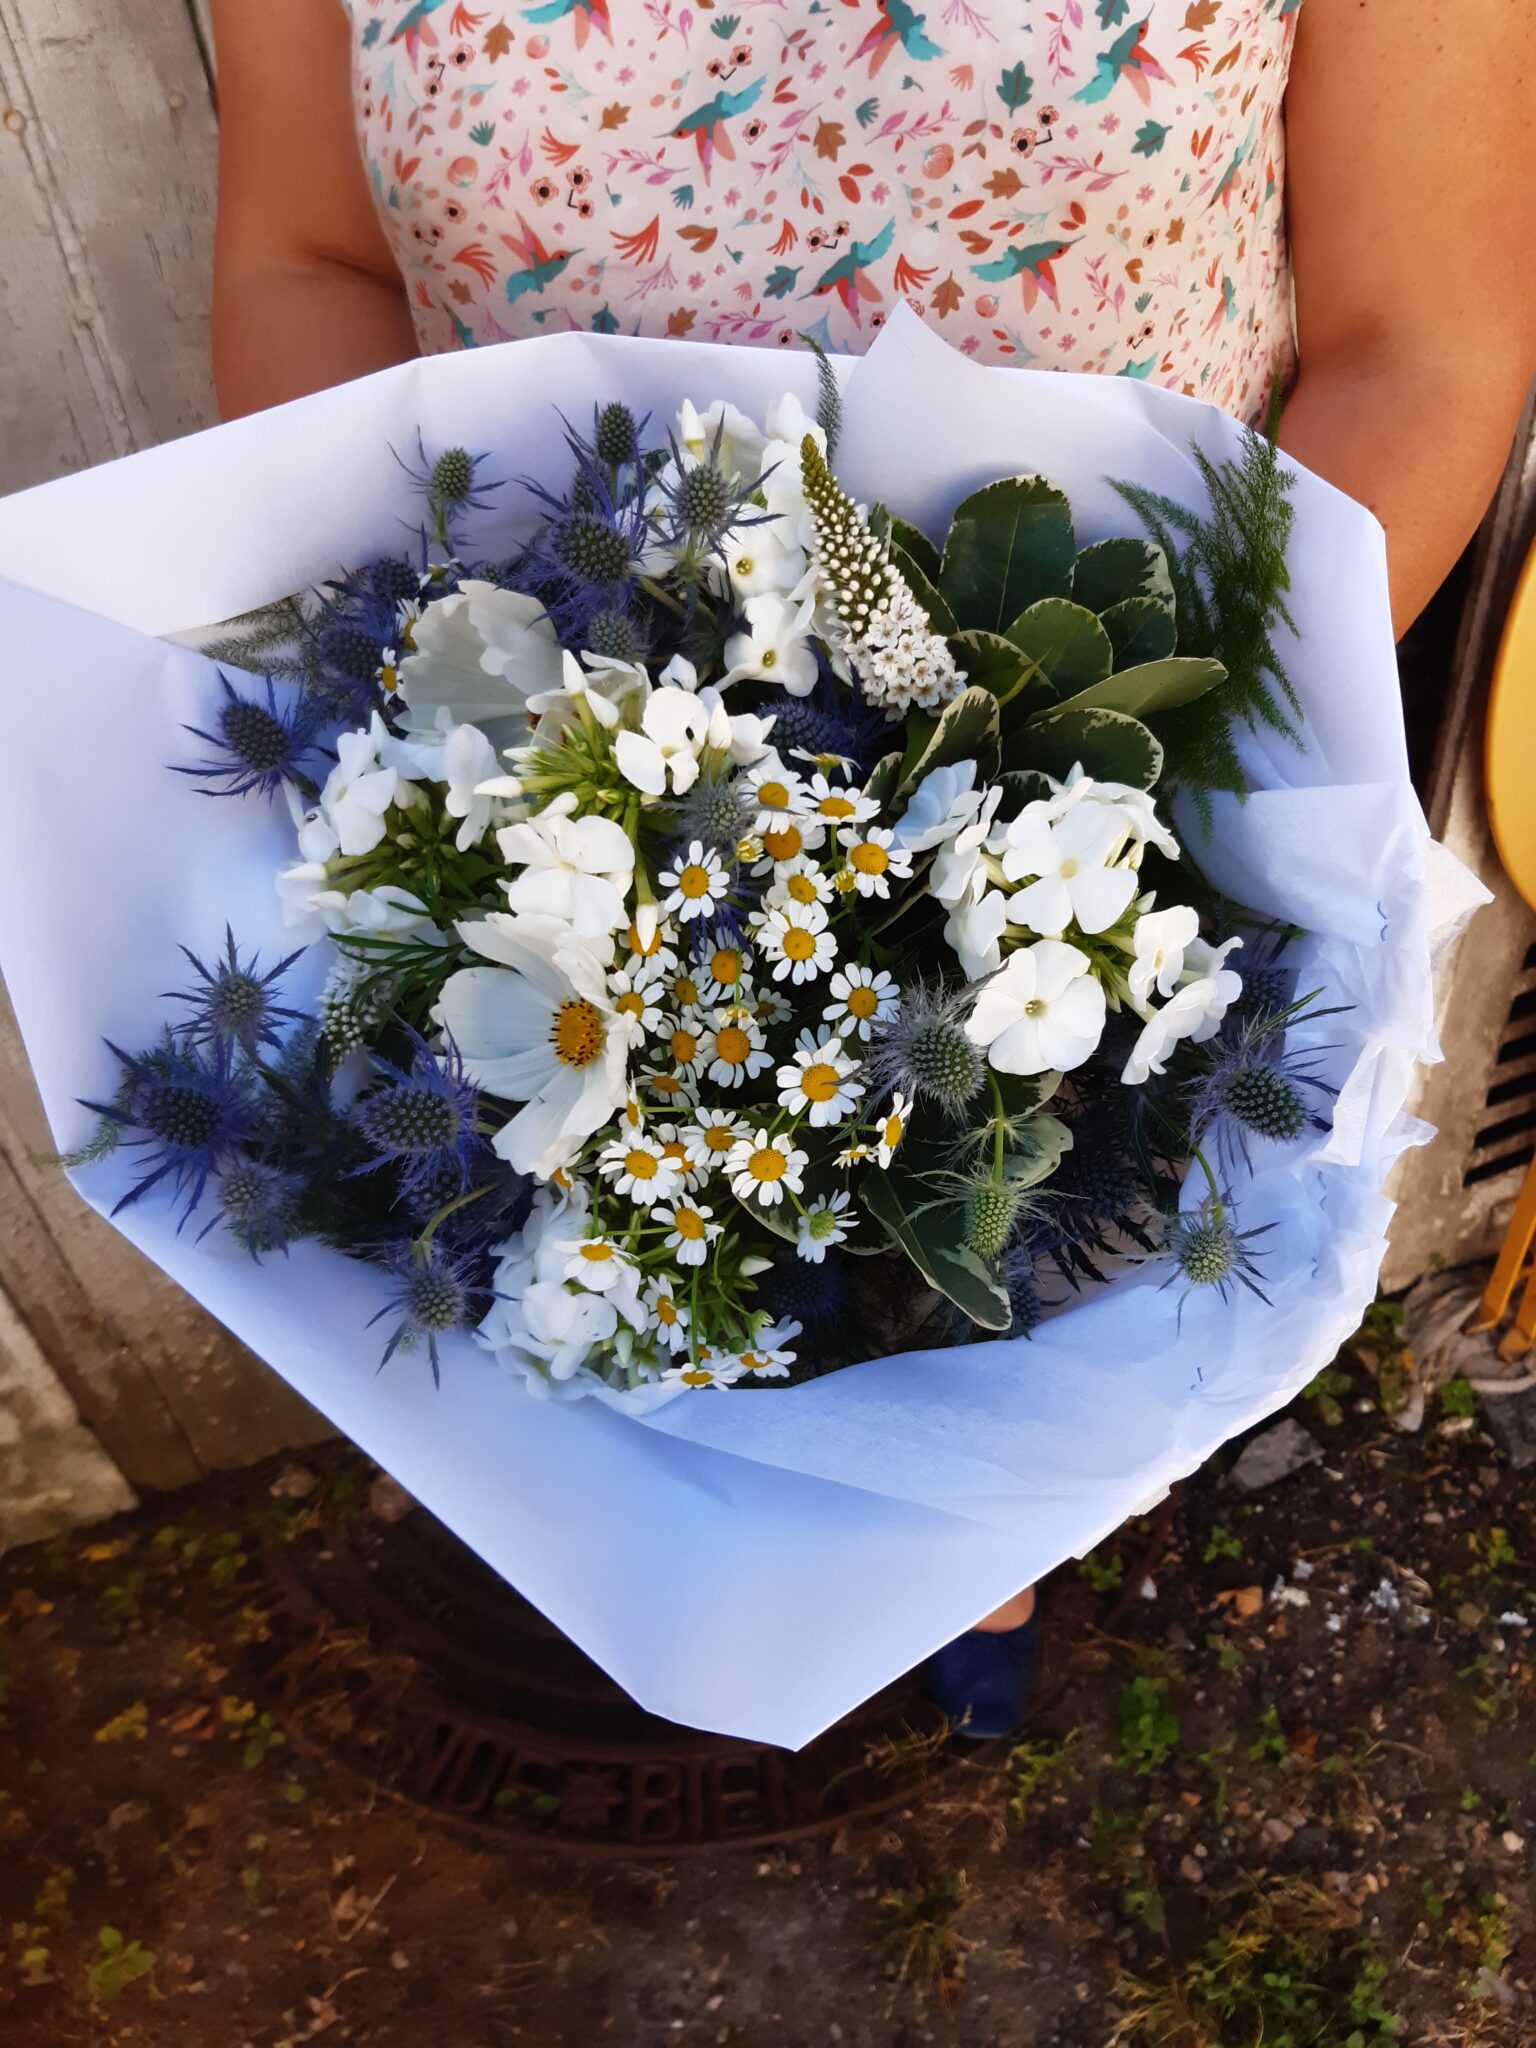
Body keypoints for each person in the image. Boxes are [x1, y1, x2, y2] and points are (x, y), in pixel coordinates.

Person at [210, 0, 1536, 1737]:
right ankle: (662, 1548)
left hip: (1106, 820)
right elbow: (309, 255)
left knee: (994, 1329)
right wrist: (458, 770)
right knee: (623, 1317)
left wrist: (1100, 817)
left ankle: (974, 1577)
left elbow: (1417, 342)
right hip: (555, 811)